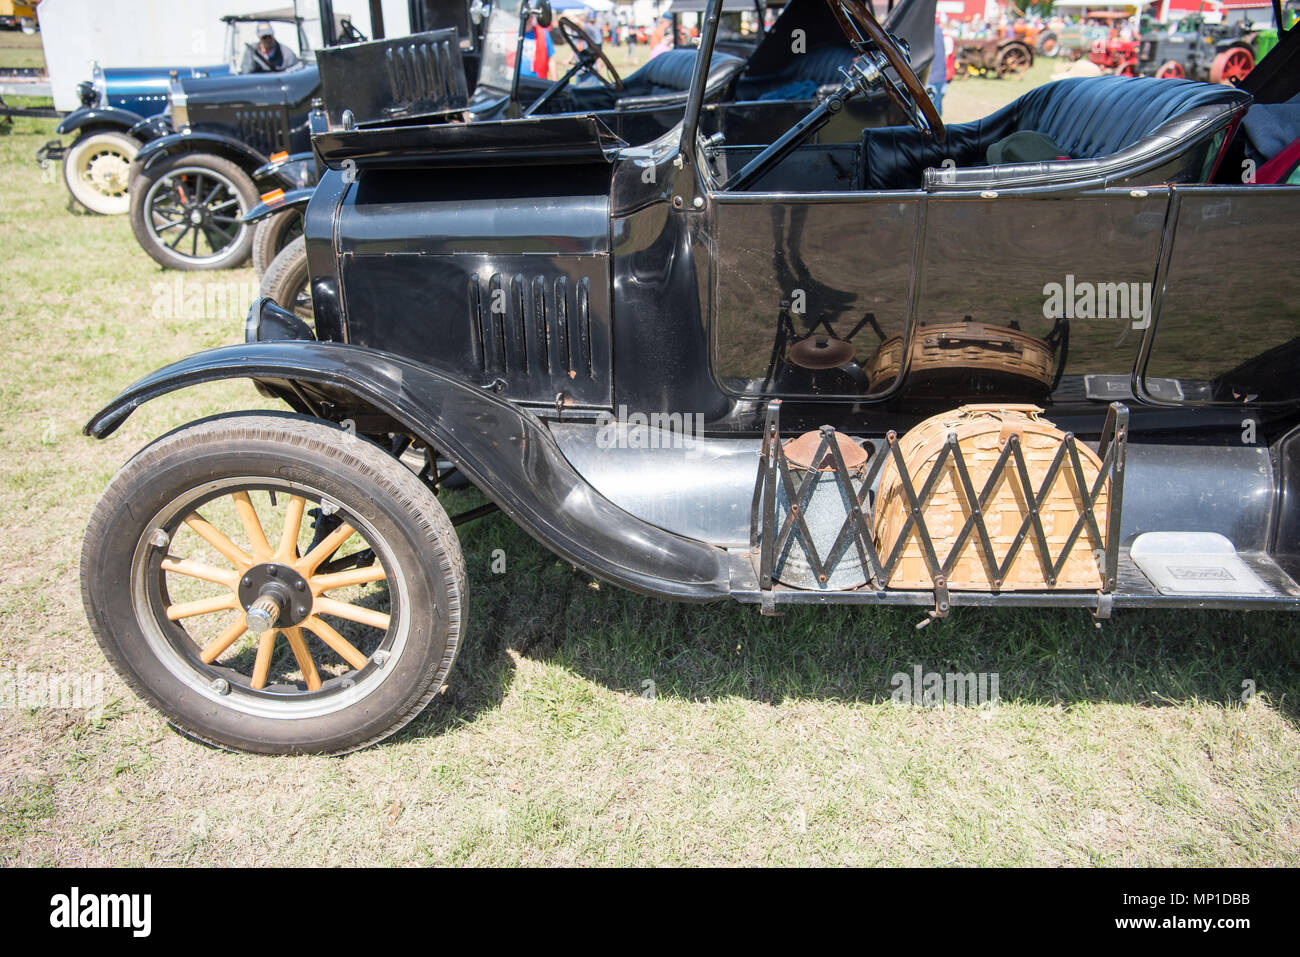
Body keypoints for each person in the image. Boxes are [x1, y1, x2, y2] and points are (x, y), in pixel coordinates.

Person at [518, 14, 554, 81]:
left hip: (537, 81)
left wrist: (555, 81)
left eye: (529, 16)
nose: (526, 20)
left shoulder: (543, 33)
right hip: (516, 80)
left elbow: (551, 60)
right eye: (523, 16)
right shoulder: (512, 34)